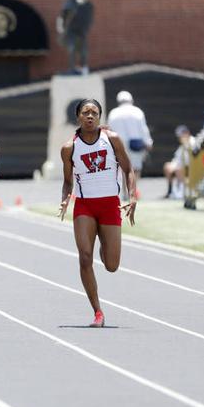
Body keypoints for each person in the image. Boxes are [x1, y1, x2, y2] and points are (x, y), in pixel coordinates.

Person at [58, 99, 136, 328]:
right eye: (86, 112)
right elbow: (67, 181)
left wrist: (132, 197)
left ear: (100, 116)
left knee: (112, 265)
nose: (90, 116)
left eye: (94, 112)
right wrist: (65, 198)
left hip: (110, 204)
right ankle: (98, 312)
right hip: (85, 206)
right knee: (84, 258)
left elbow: (128, 169)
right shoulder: (69, 148)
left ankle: (104, 244)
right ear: (78, 117)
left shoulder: (111, 139)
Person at [107, 91, 151, 196]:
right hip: (135, 144)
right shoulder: (137, 111)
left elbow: (109, 130)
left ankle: (125, 193)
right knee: (135, 169)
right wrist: (148, 142)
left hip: (119, 144)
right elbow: (143, 129)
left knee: (123, 169)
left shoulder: (113, 113)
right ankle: (132, 192)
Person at [163, 124, 193, 199]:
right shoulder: (182, 146)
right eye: (179, 136)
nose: (180, 138)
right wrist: (172, 166)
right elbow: (176, 159)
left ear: (187, 133)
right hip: (183, 166)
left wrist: (176, 166)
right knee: (167, 166)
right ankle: (170, 191)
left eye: (181, 135)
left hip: (191, 168)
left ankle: (182, 191)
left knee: (178, 169)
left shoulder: (193, 142)